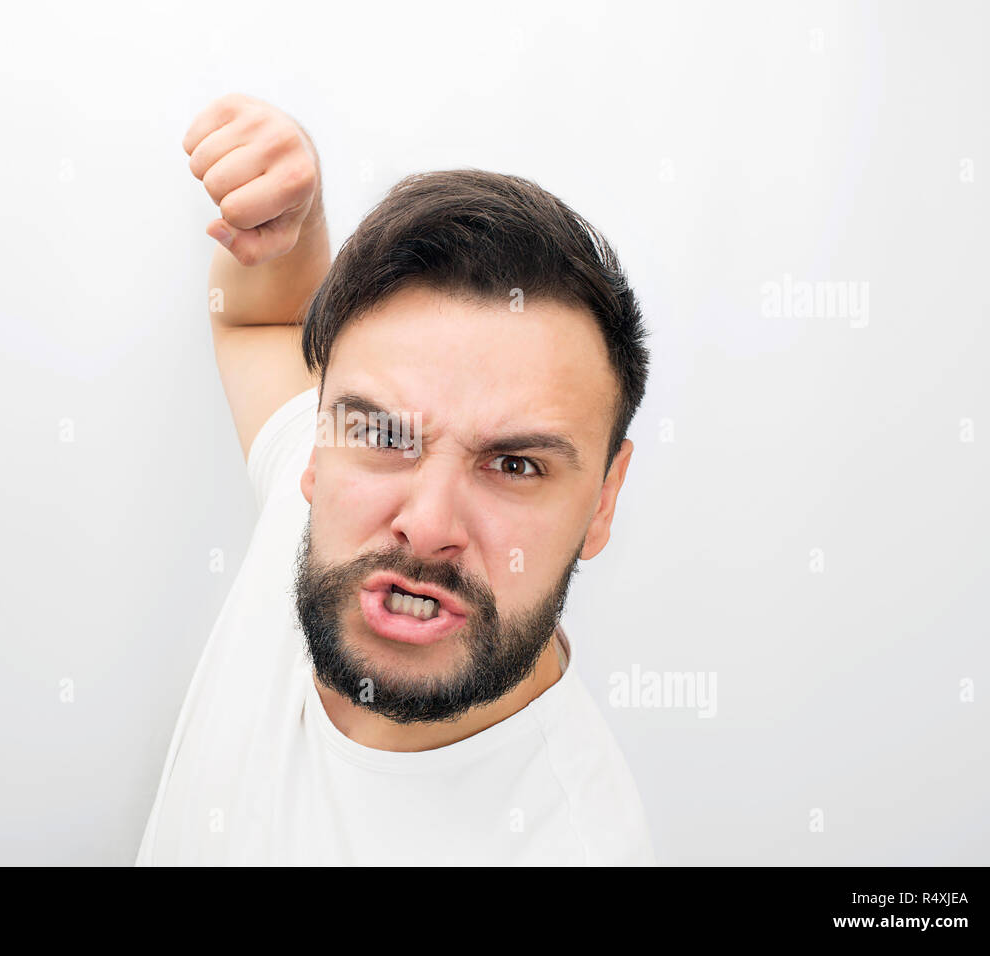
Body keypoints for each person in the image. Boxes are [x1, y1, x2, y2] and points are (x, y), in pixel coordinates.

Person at [137, 93, 655, 865]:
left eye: (514, 464)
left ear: (602, 501)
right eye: (383, 433)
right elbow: (263, 320)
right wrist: (296, 214)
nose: (427, 523)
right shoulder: (305, 504)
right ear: (319, 437)